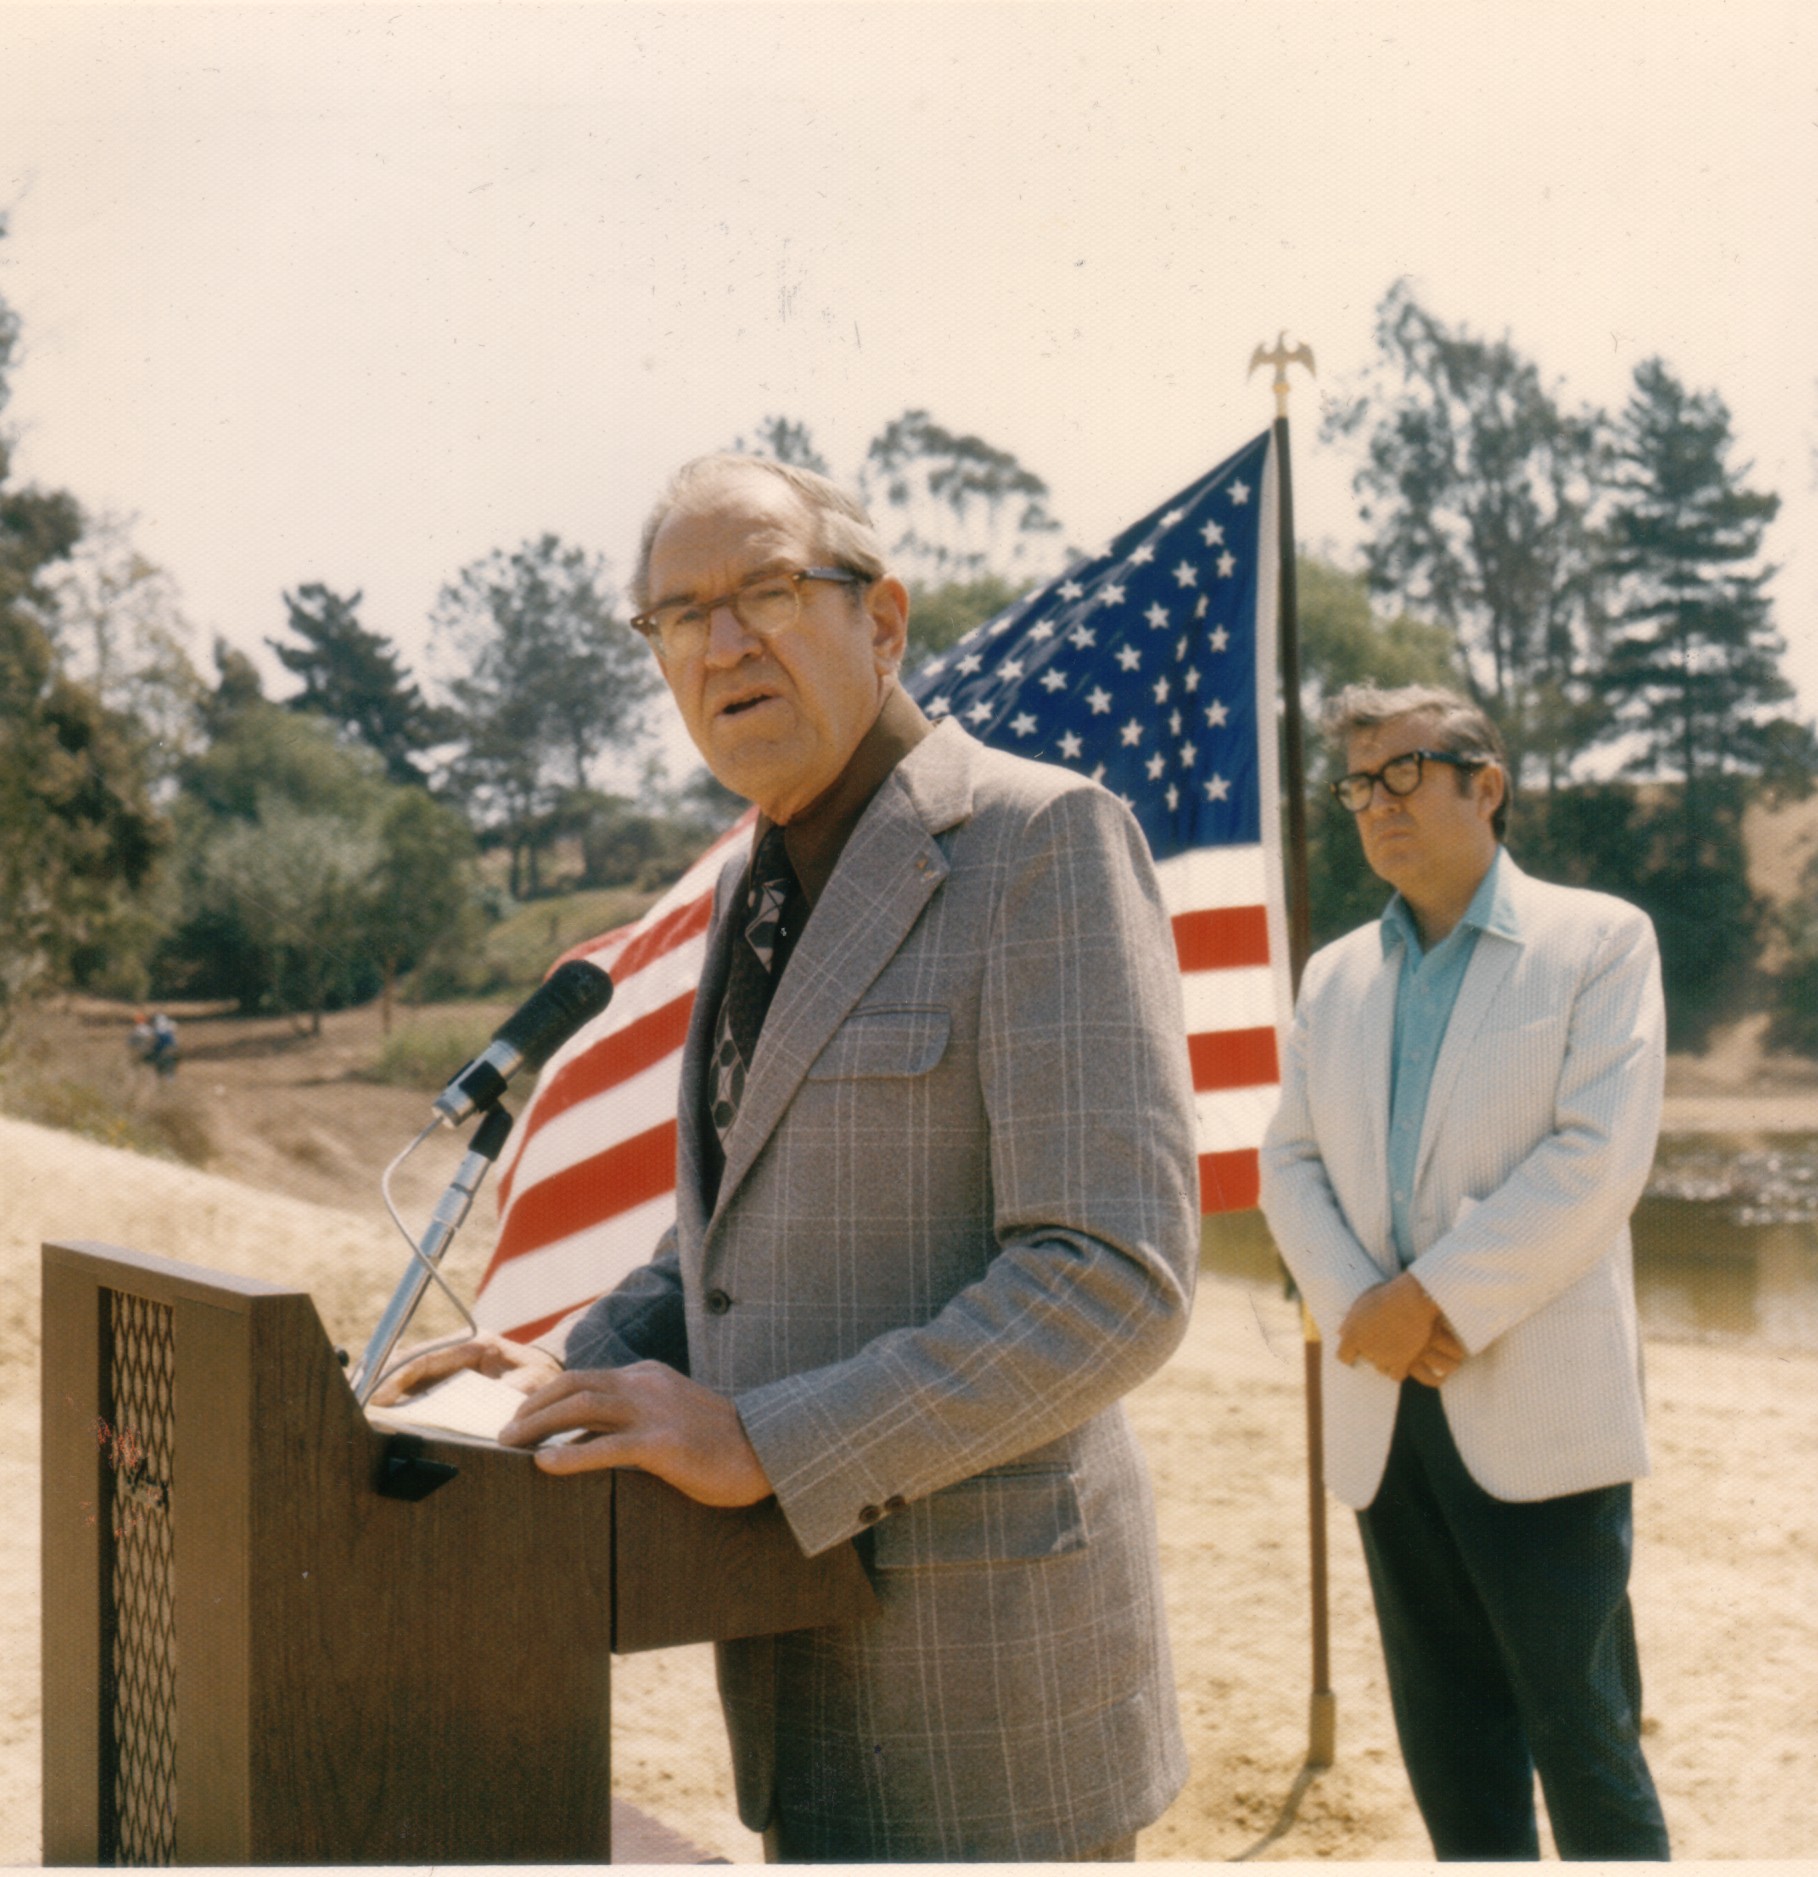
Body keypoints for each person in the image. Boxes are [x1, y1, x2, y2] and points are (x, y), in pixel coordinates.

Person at [383, 454, 1200, 1861]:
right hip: (797, 1662)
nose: (719, 643)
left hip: (988, 1693)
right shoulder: (757, 880)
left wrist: (764, 1439)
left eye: (763, 590)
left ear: (881, 620)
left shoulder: (1037, 839)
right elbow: (730, 1229)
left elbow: (1110, 1278)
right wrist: (572, 1370)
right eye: (676, 616)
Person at [1259, 681, 1671, 1861]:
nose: (1375, 804)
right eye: (1357, 784)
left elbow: (1595, 1161)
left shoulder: (1599, 939)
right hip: (1386, 1418)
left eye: (1404, 774)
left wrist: (1424, 1302)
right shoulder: (1335, 975)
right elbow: (1286, 1161)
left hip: (1538, 1413)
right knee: (1452, 1752)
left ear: (1484, 785)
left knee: (1585, 1739)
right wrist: (1361, 1312)